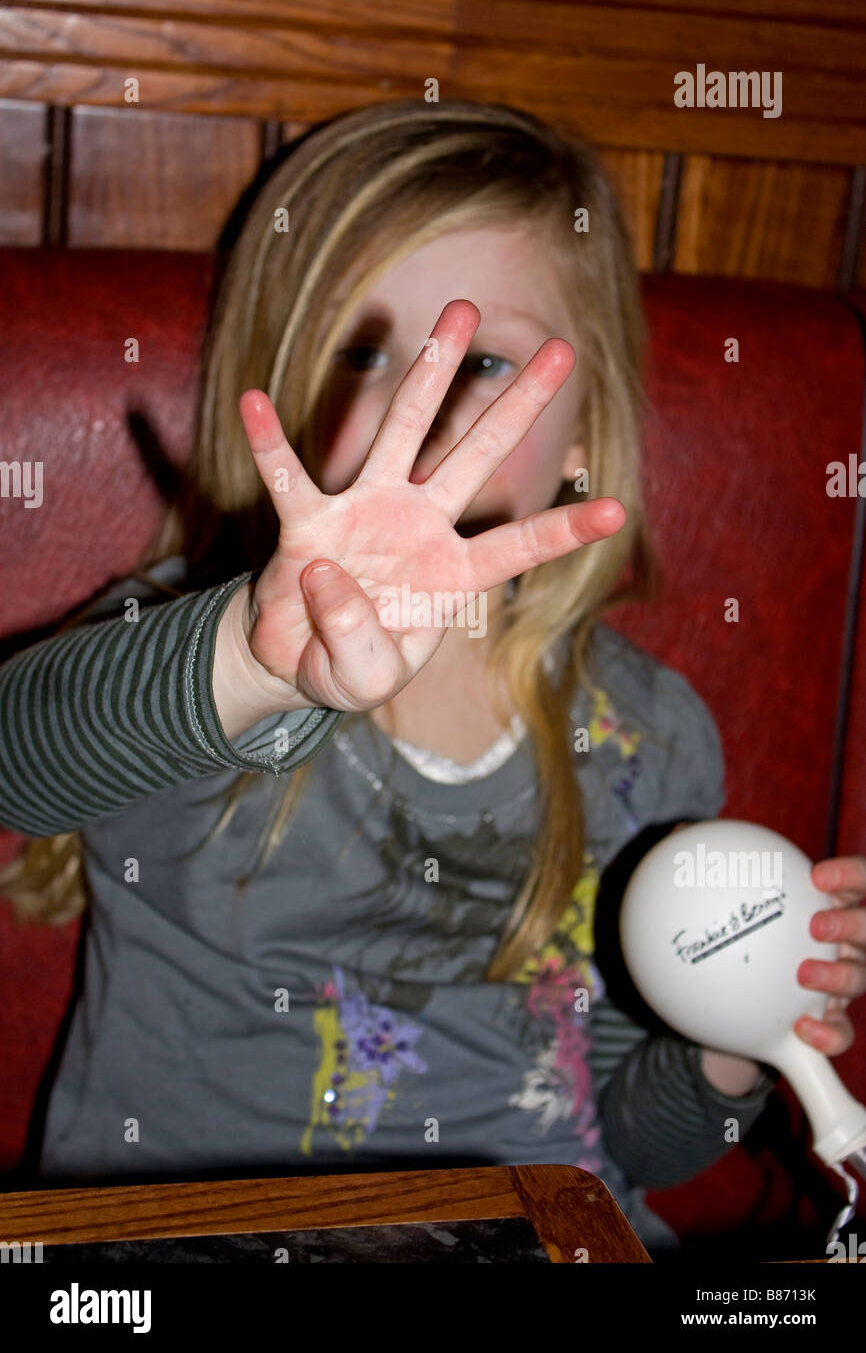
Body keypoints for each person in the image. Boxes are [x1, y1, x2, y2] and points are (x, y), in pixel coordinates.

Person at [2, 100, 864, 1260]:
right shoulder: (190, 650)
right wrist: (254, 669)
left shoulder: (647, 738)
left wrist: (733, 1041)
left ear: (582, 434)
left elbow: (625, 1135)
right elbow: (18, 758)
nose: (416, 407)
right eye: (363, 352)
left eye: (485, 360)